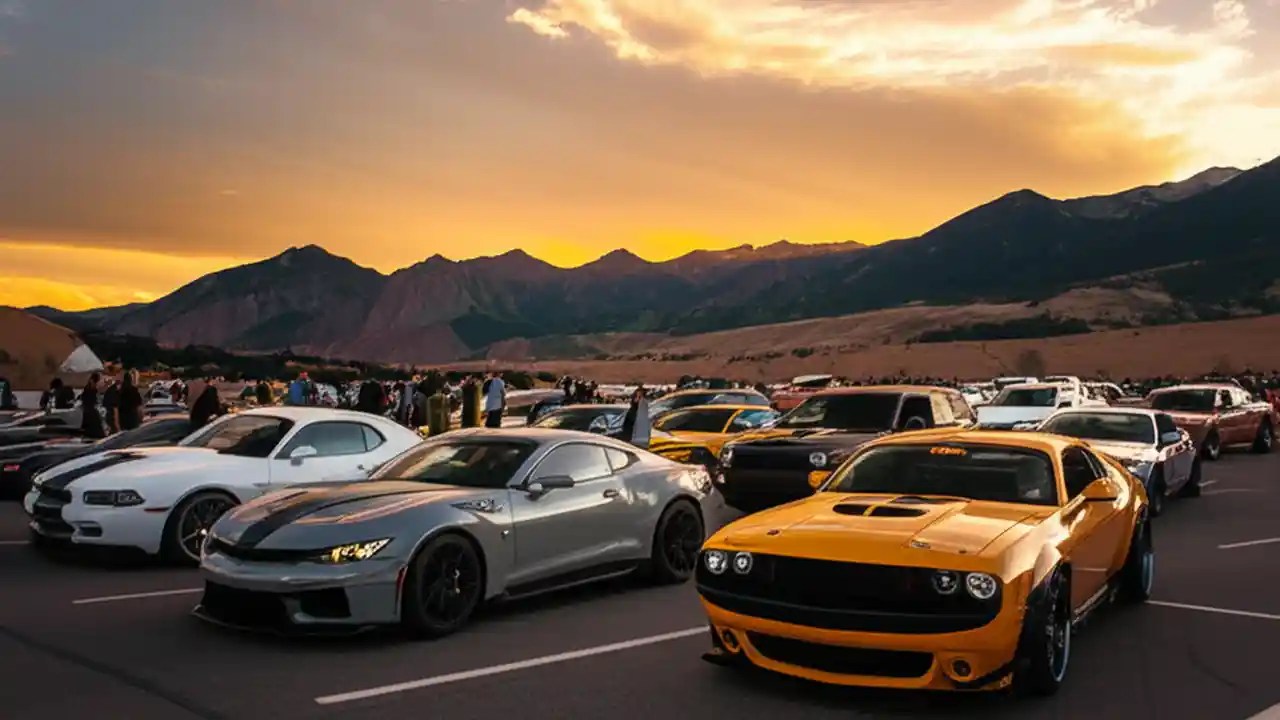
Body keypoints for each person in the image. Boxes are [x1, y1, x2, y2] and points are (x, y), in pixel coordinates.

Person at [80, 372, 105, 439]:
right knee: (96, 429)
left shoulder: (87, 388)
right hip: (91, 411)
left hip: (86, 411)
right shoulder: (93, 389)